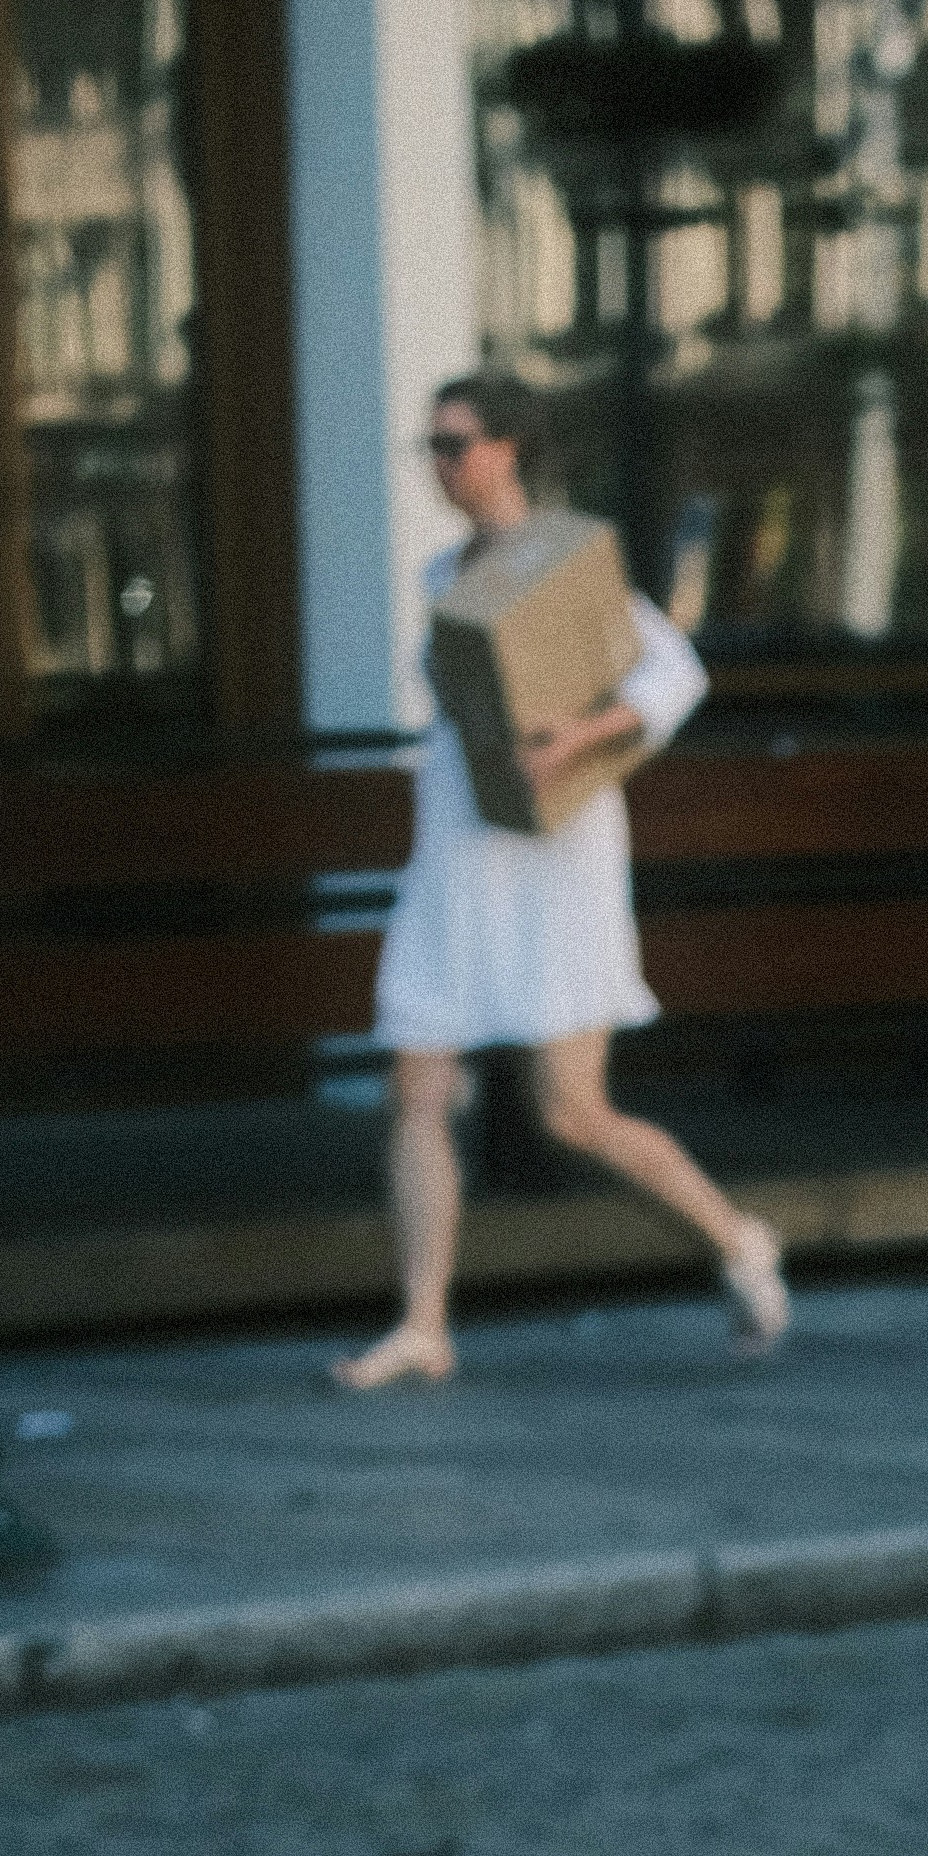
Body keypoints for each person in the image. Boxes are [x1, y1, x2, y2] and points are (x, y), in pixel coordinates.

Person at [339, 374, 790, 1390]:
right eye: (431, 445)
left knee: (570, 1111)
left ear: (507, 449)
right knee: (416, 1087)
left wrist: (574, 737)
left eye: (453, 444)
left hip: (553, 857)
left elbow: (672, 674)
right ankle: (422, 1324)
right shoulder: (440, 574)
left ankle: (738, 1237)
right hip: (454, 847)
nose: (438, 463)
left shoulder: (563, 562)